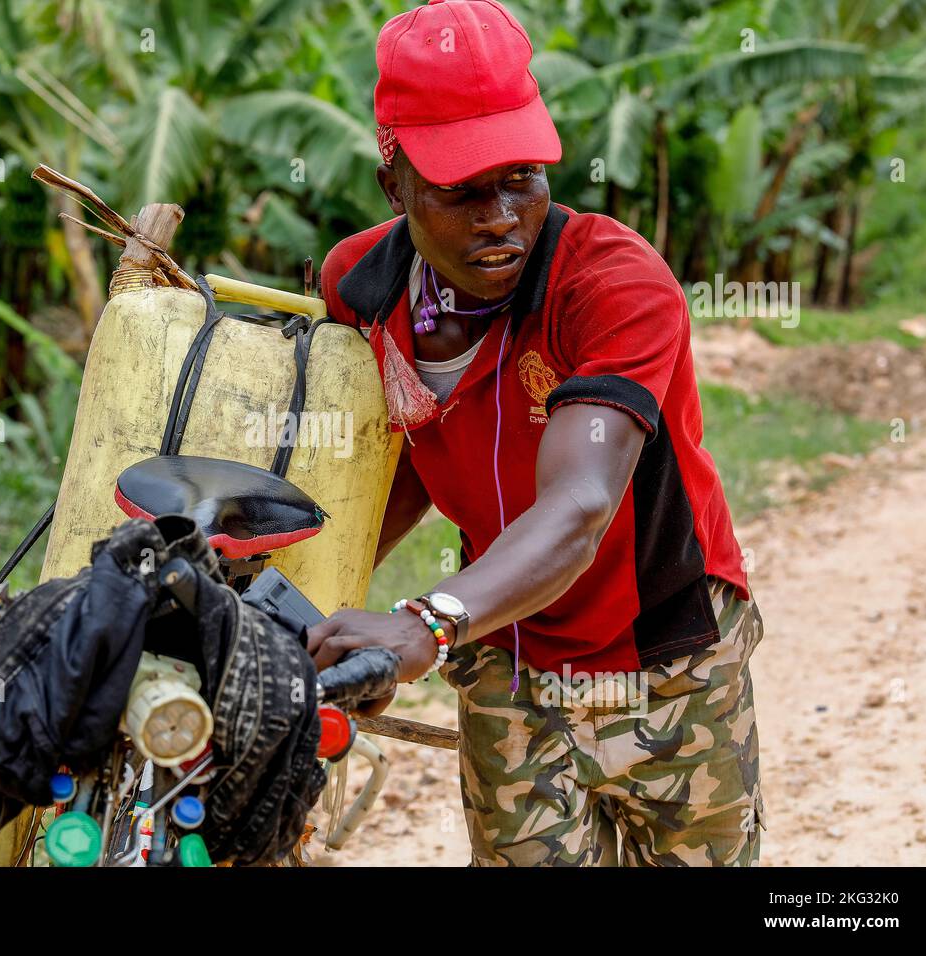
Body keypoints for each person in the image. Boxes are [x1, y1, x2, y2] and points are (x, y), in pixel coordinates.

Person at [307, 0, 765, 867]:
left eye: (520, 176)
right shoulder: (359, 287)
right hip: (504, 652)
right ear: (393, 183)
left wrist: (424, 624)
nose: (500, 217)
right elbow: (399, 453)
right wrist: (318, 591)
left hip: (665, 653)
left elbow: (582, 502)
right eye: (460, 190)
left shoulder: (611, 284)